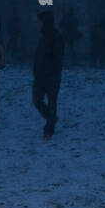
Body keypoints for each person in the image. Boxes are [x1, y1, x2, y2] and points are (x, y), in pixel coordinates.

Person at [32, 10, 64, 138]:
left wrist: (50, 71)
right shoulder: (44, 36)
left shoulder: (55, 37)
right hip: (41, 74)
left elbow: (57, 58)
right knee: (37, 100)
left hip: (51, 75)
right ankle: (51, 120)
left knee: (51, 102)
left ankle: (49, 128)